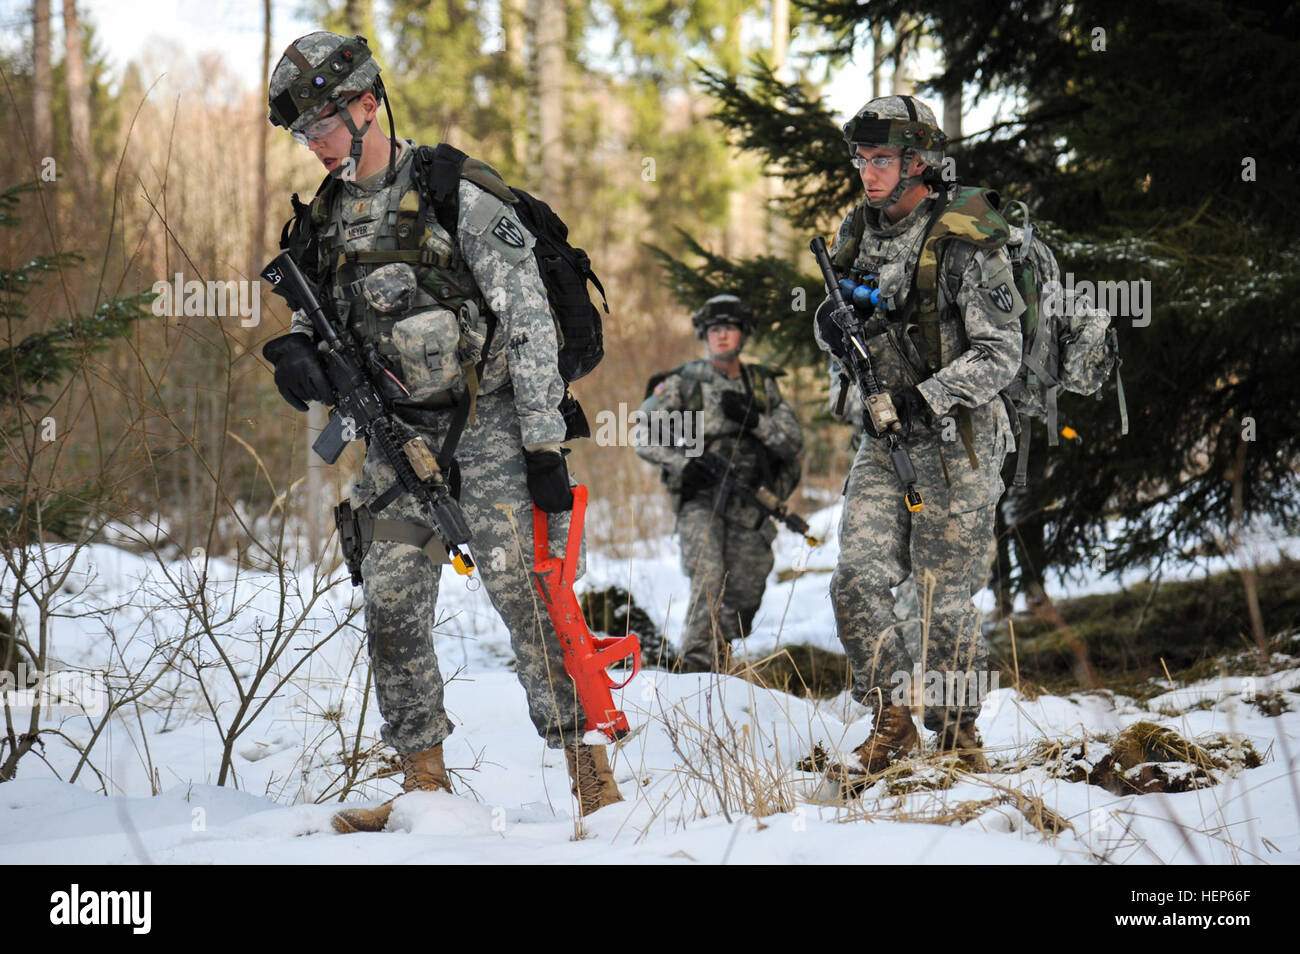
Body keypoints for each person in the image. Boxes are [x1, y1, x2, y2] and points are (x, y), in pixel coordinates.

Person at [261, 32, 621, 831]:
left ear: (366, 106)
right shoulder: (318, 224)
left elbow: (528, 323)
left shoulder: (458, 193)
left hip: (492, 430)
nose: (313, 146)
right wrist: (298, 357)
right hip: (394, 443)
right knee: (389, 600)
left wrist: (541, 448)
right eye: (301, 134)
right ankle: (424, 789)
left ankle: (591, 776)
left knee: (529, 605)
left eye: (322, 125)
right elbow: (319, 325)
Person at [816, 94, 1025, 774]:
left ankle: (959, 735)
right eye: (861, 158)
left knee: (942, 599)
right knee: (855, 579)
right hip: (885, 438)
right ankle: (893, 720)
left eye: (881, 159)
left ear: (917, 163)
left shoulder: (964, 239)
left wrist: (924, 398)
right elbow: (851, 340)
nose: (867, 172)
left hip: (960, 443)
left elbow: (1002, 354)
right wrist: (829, 329)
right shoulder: (855, 232)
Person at [634, 295, 803, 672]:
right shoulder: (684, 382)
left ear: (743, 335)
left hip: (750, 498)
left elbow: (792, 442)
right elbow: (642, 433)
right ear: (703, 335)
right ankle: (695, 667)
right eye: (714, 330)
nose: (721, 336)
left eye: (729, 328)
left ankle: (720, 647)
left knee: (745, 589)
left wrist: (755, 420)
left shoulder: (761, 386)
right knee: (707, 576)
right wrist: (682, 465)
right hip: (701, 496)